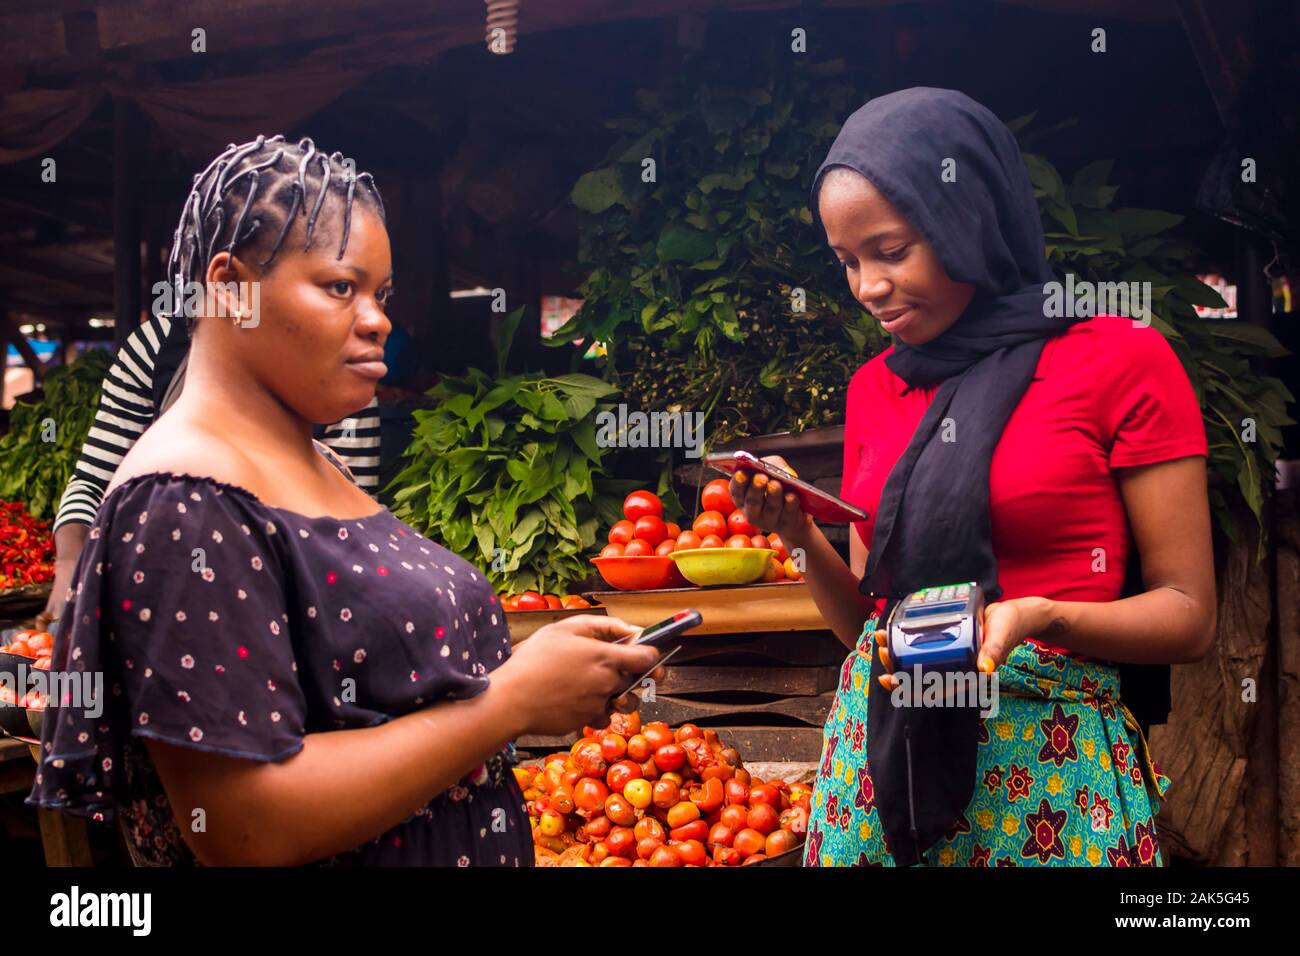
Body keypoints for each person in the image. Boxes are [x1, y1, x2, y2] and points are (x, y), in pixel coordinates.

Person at [27, 134, 659, 866]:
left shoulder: (311, 456)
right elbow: (242, 828)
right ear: (231, 287)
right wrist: (509, 704)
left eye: (381, 294)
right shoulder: (185, 503)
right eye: (340, 287)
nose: (378, 319)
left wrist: (545, 665)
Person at [729, 89, 1215, 867]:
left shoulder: (1118, 360)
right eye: (847, 262)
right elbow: (869, 624)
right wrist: (799, 536)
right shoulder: (875, 388)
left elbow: (1189, 616)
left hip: (1050, 773)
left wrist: (1040, 616)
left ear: (969, 218)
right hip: (880, 771)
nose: (867, 288)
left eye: (891, 251)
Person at [36, 312, 380, 635]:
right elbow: (94, 483)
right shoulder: (159, 344)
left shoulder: (347, 369)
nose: (376, 320)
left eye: (379, 293)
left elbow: (350, 537)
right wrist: (69, 565)